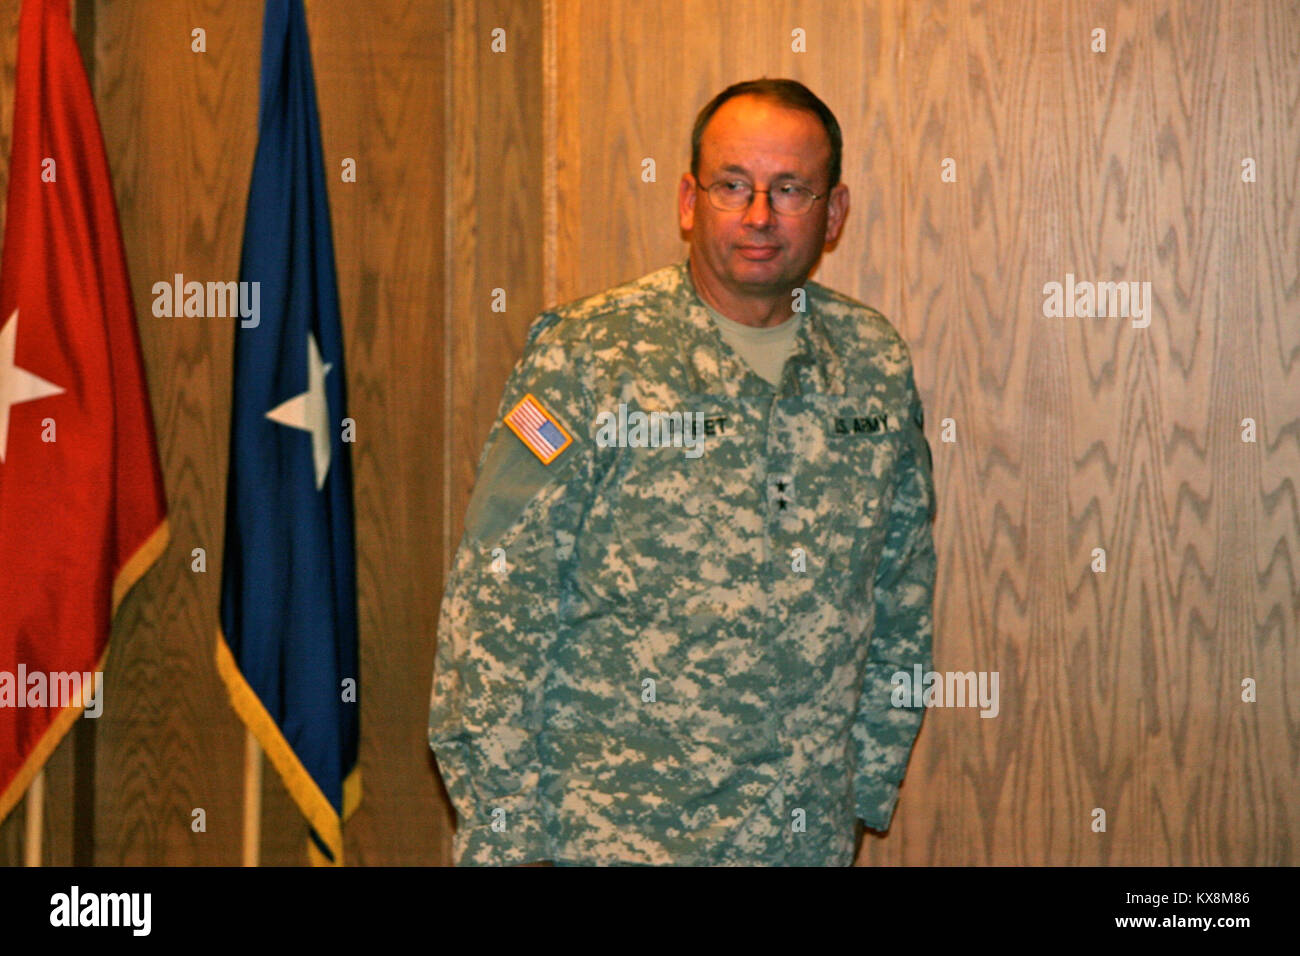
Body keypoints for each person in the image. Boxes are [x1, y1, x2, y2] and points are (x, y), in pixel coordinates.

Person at [428, 78, 936, 866]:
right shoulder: (591, 356)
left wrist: (865, 783)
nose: (759, 214)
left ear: (833, 214)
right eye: (733, 185)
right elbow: (496, 605)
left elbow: (902, 590)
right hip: (609, 838)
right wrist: (505, 837)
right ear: (689, 201)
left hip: (800, 836)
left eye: (790, 189)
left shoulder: (872, 364)